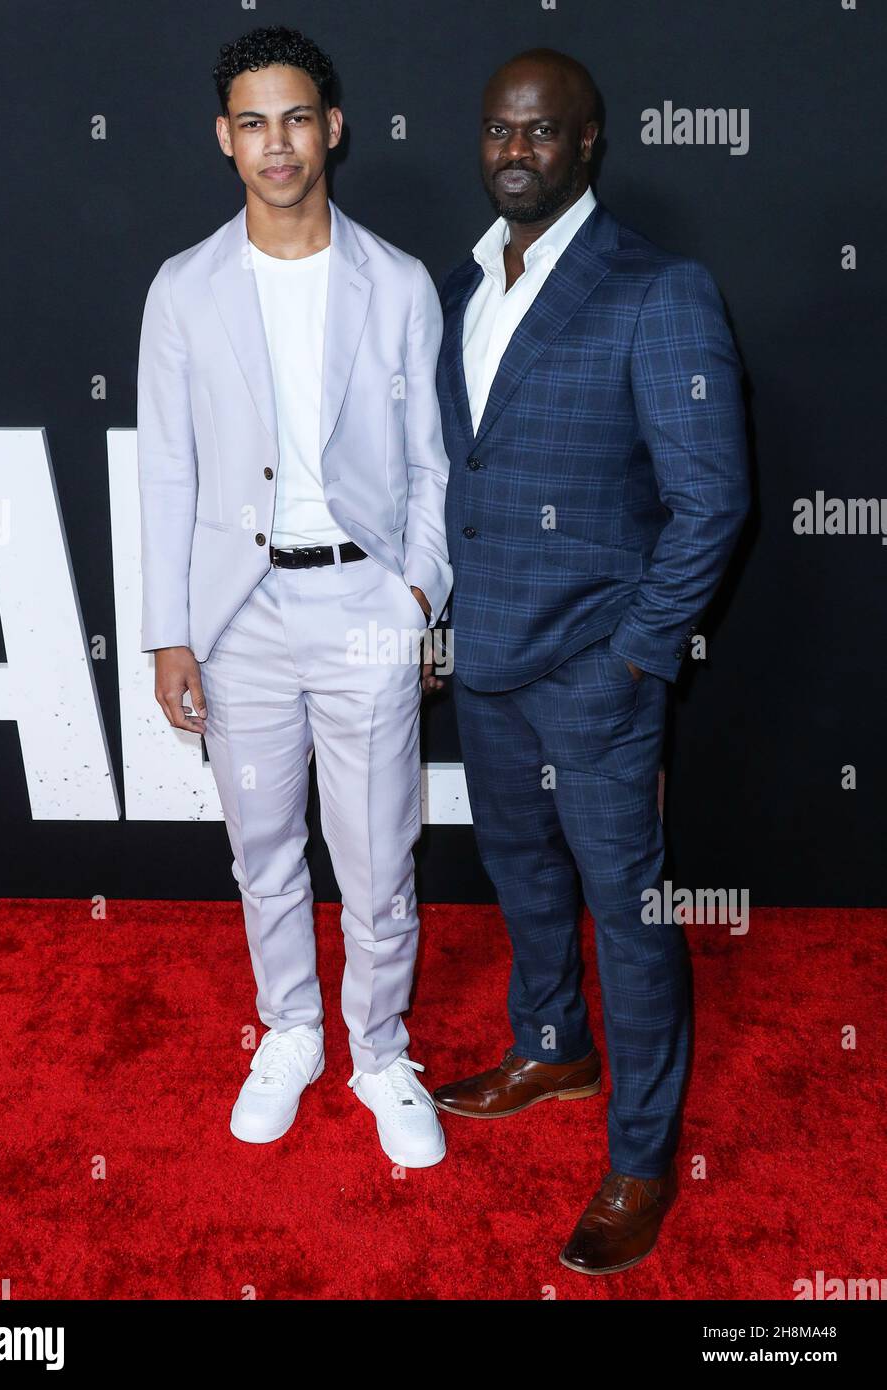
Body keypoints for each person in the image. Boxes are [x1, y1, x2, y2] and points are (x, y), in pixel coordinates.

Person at [431, 48, 749, 1270]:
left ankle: (639, 1155)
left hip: (594, 674)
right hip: (489, 660)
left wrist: (634, 655)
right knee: (524, 876)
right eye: (498, 132)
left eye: (540, 134)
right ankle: (551, 1045)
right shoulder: (464, 282)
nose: (514, 153)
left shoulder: (652, 288)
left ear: (588, 142)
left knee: (629, 915)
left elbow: (711, 498)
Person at [136, 25, 452, 1169]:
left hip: (366, 602)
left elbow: (430, 464)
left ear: (333, 129)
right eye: (254, 123)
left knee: (376, 853)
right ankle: (290, 1029)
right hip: (240, 619)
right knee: (262, 845)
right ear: (226, 140)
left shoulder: (399, 284)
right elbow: (165, 468)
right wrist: (167, 630)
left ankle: (377, 1048)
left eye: (297, 119)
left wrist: (417, 595)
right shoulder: (181, 291)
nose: (278, 144)